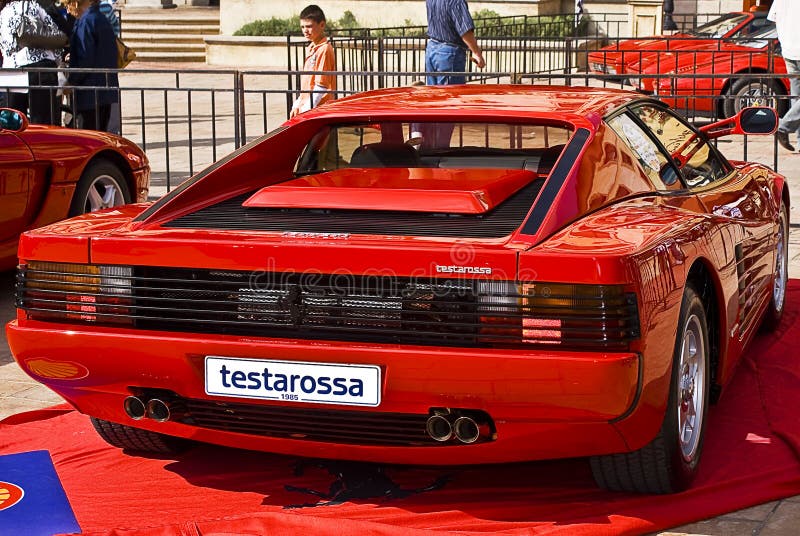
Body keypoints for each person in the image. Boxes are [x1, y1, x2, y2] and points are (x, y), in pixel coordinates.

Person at [0, 0, 68, 125]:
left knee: (12, 124)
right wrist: (58, 60)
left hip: (11, 72)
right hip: (41, 69)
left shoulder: (4, 12)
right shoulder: (39, 7)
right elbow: (57, 36)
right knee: (43, 123)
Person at [65, 0, 118, 131]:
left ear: (76, 3)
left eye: (68, 5)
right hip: (105, 91)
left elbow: (85, 59)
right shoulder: (101, 19)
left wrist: (71, 82)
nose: (67, 10)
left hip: (89, 94)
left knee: (89, 138)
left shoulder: (86, 21)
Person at [424, 0, 485, 86]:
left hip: (431, 47)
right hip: (449, 53)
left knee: (434, 95)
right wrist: (477, 53)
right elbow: (465, 31)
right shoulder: (456, 2)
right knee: (451, 95)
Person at [290, 4, 336, 118]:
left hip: (319, 108)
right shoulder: (311, 47)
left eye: (309, 26)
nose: (305, 31)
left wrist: (306, 110)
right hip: (308, 105)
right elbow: (308, 84)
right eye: (302, 27)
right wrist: (297, 104)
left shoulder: (324, 49)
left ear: (322, 25)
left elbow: (321, 86)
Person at [769, 0, 800, 151]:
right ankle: (783, 126)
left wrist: (785, 41)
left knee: (797, 98)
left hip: (788, 51)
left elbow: (774, 19)